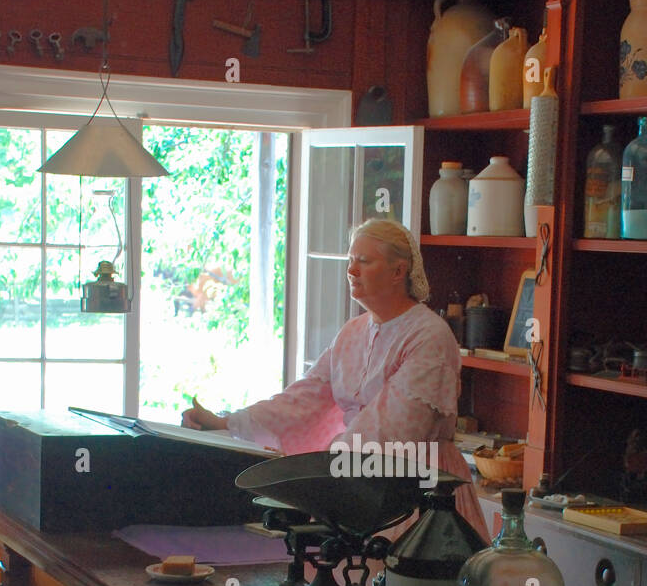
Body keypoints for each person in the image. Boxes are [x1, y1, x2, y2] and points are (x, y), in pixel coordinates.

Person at [183, 217, 489, 540]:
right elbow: (300, 401)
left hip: (419, 491)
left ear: (399, 272)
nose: (351, 271)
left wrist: (322, 473)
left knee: (400, 583)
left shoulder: (429, 336)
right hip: (359, 481)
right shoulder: (353, 332)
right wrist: (227, 423)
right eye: (350, 261)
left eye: (364, 261)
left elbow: (393, 428)